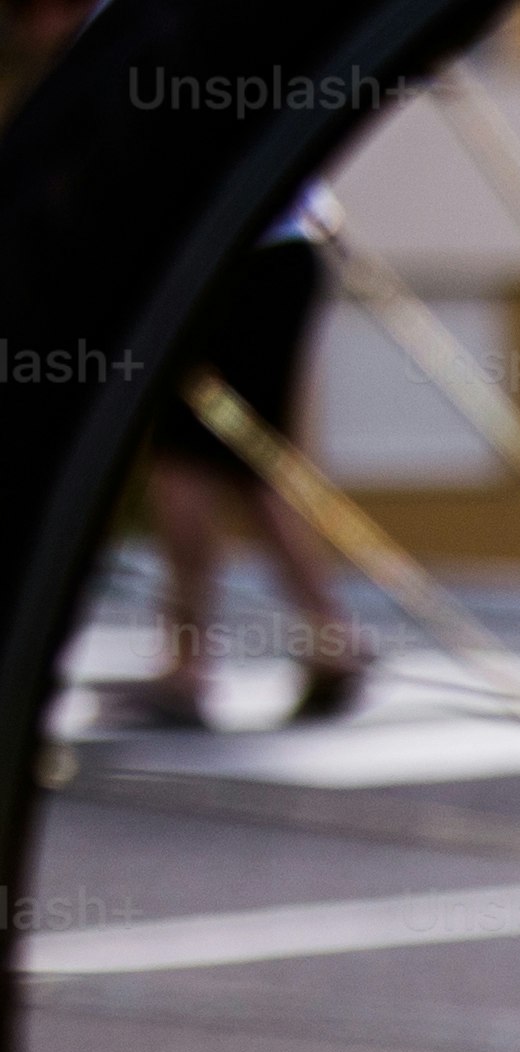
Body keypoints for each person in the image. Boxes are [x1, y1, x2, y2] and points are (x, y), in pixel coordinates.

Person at [99, 171, 373, 732]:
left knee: (185, 462)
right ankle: (329, 639)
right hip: (286, 247)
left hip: (227, 254)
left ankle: (190, 664)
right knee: (249, 463)